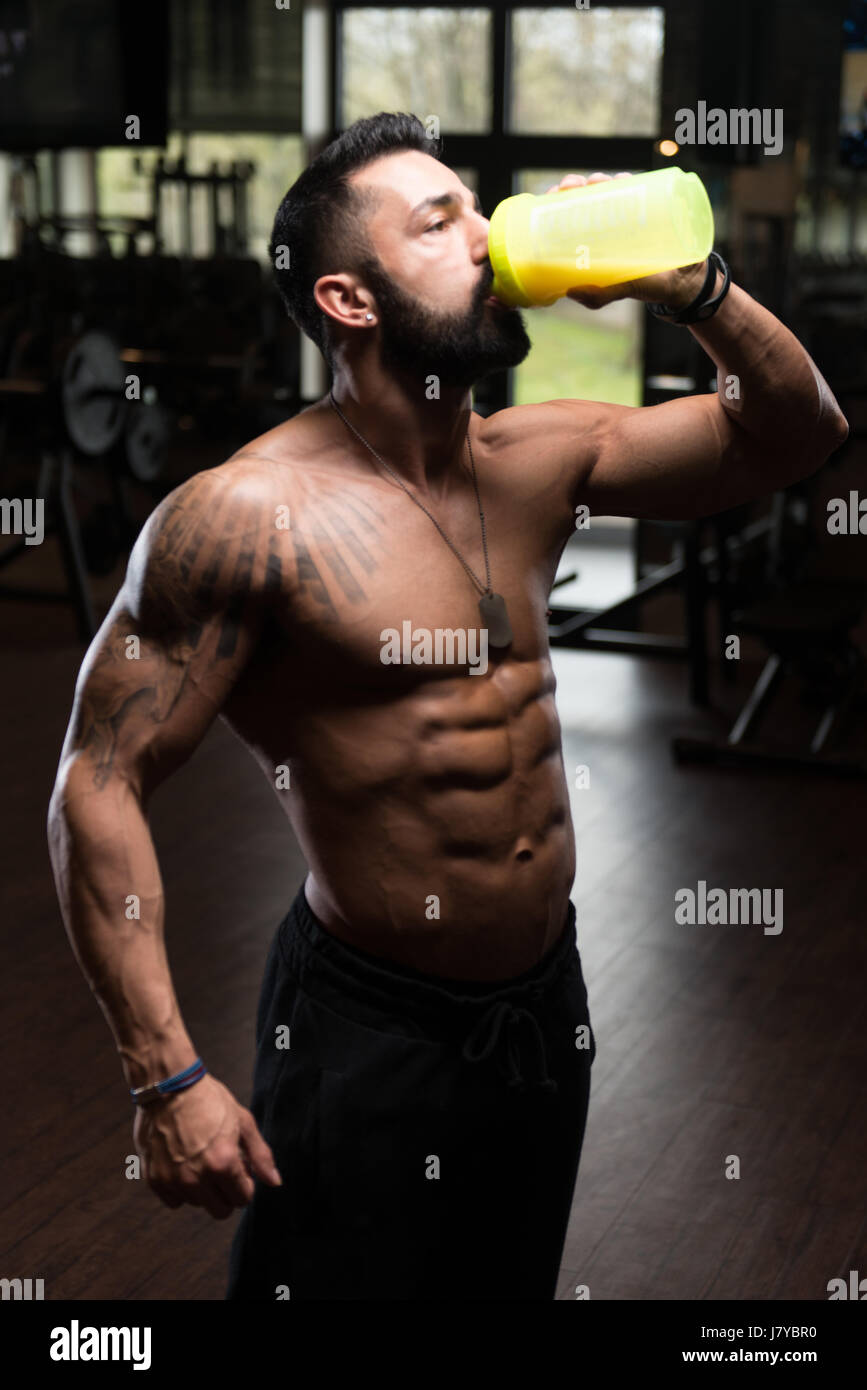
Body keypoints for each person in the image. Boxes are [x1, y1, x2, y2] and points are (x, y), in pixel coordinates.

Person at [47, 112, 848, 1301]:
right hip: (370, 1031)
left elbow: (798, 432)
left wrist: (696, 288)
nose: (488, 237)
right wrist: (165, 1075)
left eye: (479, 209)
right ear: (350, 299)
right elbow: (94, 783)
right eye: (441, 221)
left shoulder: (541, 455)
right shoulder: (244, 517)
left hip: (543, 1008)